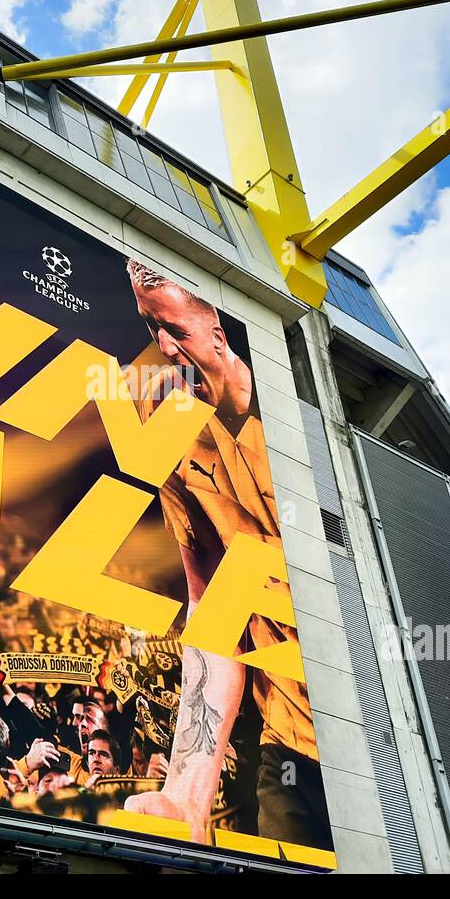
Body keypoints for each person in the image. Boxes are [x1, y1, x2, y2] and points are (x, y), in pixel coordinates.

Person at [122, 258, 331, 849]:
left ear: (218, 324)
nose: (163, 345)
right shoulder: (169, 428)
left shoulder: (308, 412)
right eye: (149, 328)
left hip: (376, 742)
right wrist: (188, 788)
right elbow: (212, 613)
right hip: (288, 743)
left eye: (175, 329)